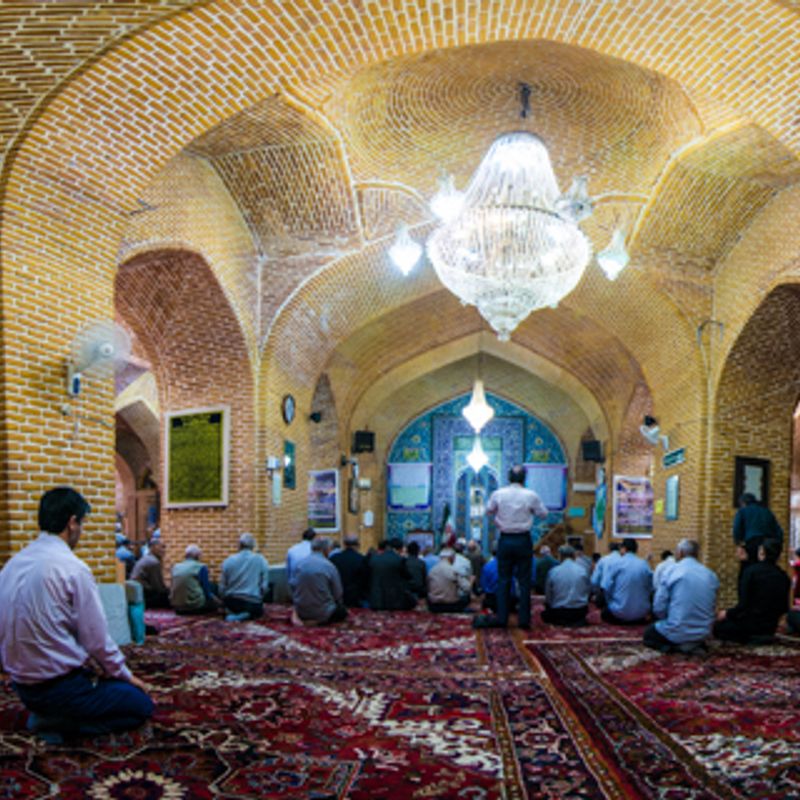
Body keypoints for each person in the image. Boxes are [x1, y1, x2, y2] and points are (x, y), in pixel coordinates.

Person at [0, 487, 153, 739]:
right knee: (140, 705)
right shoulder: (72, 568)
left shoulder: (11, 566)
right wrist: (127, 677)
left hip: (23, 688)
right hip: (60, 689)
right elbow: (97, 640)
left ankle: (51, 715)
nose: (80, 531)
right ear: (72, 523)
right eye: (81, 524)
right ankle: (59, 725)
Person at [474, 465, 548, 630]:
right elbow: (543, 514)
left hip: (505, 540)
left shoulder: (499, 494)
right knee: (524, 582)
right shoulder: (531, 495)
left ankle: (502, 619)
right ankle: (523, 620)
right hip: (523, 540)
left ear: (509, 478)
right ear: (524, 479)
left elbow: (488, 511)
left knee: (503, 580)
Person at [643, 539, 719, 653]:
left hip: (677, 631)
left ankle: (676, 648)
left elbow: (659, 606)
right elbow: (713, 605)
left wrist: (667, 618)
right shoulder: (711, 575)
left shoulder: (671, 571)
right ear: (697, 554)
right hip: (704, 632)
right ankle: (694, 644)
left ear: (681, 553)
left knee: (649, 634)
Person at [714, 538, 791, 643]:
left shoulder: (751, 572)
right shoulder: (784, 576)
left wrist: (727, 613)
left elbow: (743, 606)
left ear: (762, 553)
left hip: (750, 626)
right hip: (770, 627)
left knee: (719, 627)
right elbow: (783, 607)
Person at [290, 537, 347, 625]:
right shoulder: (329, 566)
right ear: (326, 550)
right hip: (324, 612)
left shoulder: (300, 564)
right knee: (342, 611)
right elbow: (338, 593)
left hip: (302, 611)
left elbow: (293, 586)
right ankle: (318, 622)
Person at [220, 532, 271, 621]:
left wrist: (223, 600)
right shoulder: (261, 560)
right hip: (251, 602)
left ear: (239, 545)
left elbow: (222, 587)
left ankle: (233, 613)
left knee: (232, 608)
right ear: (253, 546)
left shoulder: (228, 561)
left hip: (231, 601)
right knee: (257, 611)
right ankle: (245, 615)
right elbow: (264, 587)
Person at [601, 538, 653, 625]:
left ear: (623, 548)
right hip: (641, 614)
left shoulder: (616, 564)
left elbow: (605, 587)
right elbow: (651, 588)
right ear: (636, 549)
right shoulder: (644, 565)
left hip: (619, 612)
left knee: (604, 613)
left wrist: (610, 602)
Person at [542, 545, 591, 626]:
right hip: (579, 611)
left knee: (545, 614)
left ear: (560, 556)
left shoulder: (553, 571)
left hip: (559, 611)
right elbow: (588, 591)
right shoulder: (583, 571)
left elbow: (548, 596)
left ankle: (561, 621)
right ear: (574, 556)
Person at [367, 537, 416, 610]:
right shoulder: (399, 560)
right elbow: (408, 576)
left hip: (375, 600)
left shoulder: (374, 559)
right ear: (400, 549)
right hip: (394, 602)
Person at [733, 493, 783, 564]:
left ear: (743, 503)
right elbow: (779, 531)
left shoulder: (742, 511)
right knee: (767, 567)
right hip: (768, 544)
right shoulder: (767, 511)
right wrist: (778, 546)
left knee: (749, 567)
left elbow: (736, 529)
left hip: (751, 543)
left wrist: (738, 543)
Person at [170, 544, 220, 614]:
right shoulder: (201, 567)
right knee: (214, 586)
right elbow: (206, 590)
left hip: (177, 607)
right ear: (197, 555)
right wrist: (217, 601)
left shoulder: (175, 567)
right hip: (195, 606)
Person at [426, 548, 472, 613]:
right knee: (466, 598)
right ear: (452, 558)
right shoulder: (453, 571)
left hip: (434, 606)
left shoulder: (432, 570)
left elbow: (428, 587)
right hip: (451, 605)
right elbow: (466, 588)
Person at [130, 537, 170, 608]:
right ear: (153, 547)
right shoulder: (153, 562)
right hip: (145, 596)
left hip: (138, 593)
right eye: (162, 547)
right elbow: (158, 587)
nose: (164, 550)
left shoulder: (146, 558)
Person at [330, 534, 368, 607]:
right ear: (358, 545)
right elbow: (365, 579)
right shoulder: (362, 559)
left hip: (338, 595)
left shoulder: (335, 558)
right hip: (356, 596)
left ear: (344, 544)